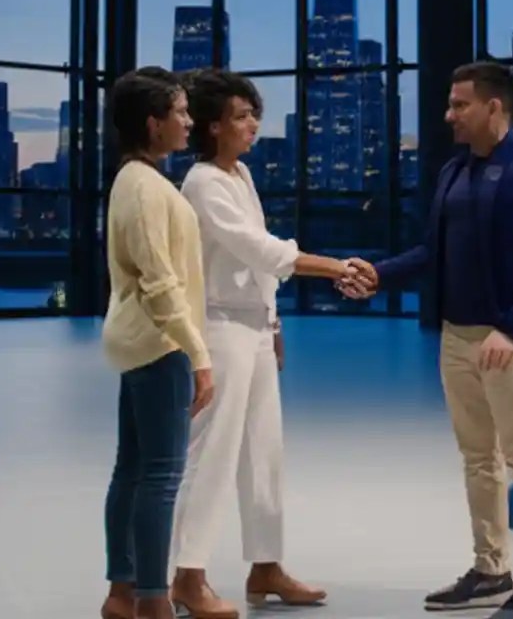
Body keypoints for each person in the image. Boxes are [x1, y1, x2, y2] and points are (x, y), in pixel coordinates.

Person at [338, 61, 513, 619]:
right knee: (478, 460)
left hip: (507, 342)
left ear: (495, 107)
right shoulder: (453, 172)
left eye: (459, 105)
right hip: (457, 337)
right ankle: (490, 570)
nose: (449, 116)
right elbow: (432, 253)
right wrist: (379, 274)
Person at [167, 67, 352, 618]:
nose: (253, 125)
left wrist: (272, 326)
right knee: (213, 451)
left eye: (253, 115)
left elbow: (258, 267)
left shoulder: (239, 175)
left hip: (250, 327)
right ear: (213, 126)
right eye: (242, 117)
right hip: (218, 328)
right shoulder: (202, 183)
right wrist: (337, 268)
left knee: (263, 452)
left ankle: (265, 566)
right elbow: (260, 250)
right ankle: (187, 574)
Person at [99, 67, 213, 619]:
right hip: (160, 346)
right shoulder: (144, 188)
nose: (189, 122)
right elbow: (161, 282)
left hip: (142, 343)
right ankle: (151, 601)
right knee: (161, 477)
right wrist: (199, 354)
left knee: (133, 469)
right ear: (153, 122)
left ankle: (124, 592)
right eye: (181, 112)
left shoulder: (136, 181)